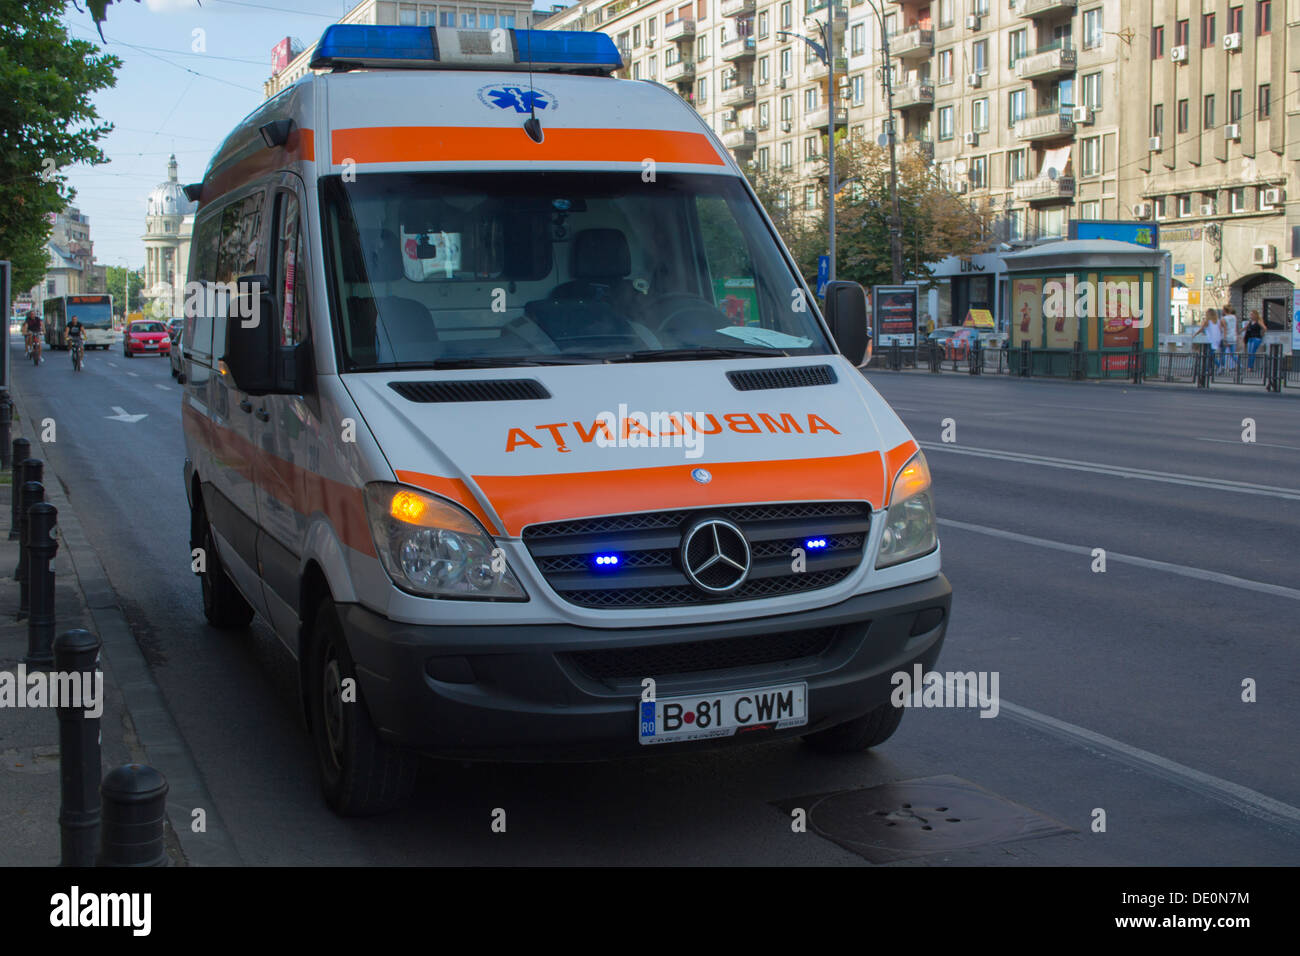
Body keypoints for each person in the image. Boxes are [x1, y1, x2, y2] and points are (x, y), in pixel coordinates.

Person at [1219, 306, 1238, 371]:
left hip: (1226, 337)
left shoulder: (1223, 319)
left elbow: (1224, 329)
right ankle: (1240, 366)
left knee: (1222, 353)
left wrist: (1224, 338)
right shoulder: (1234, 317)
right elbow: (1235, 327)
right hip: (1233, 337)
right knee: (1233, 354)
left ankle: (1222, 367)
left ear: (1224, 311)